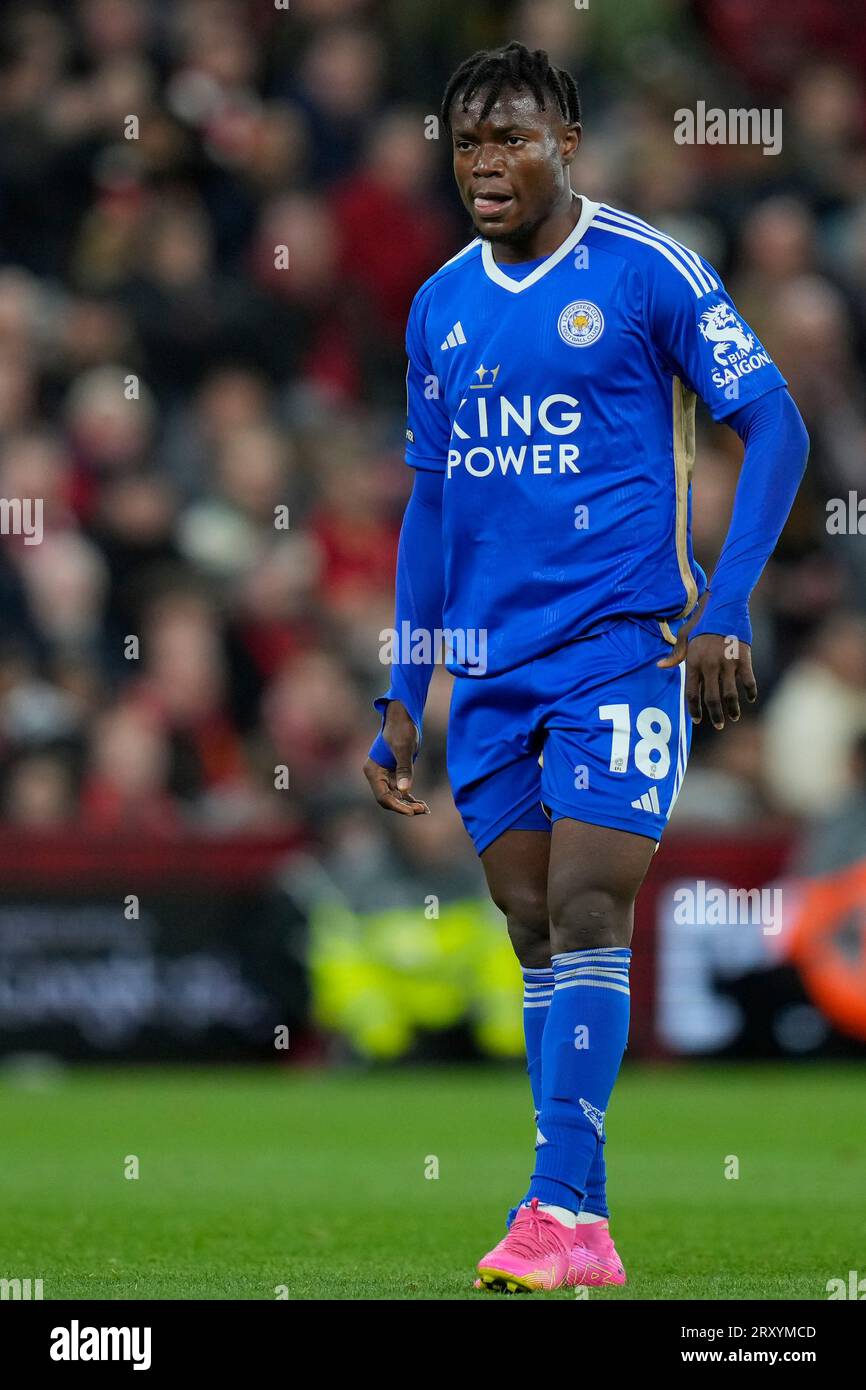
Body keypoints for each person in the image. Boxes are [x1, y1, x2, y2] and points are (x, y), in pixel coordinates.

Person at [363, 41, 809, 1293]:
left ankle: (550, 1204)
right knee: (530, 928)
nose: (486, 163)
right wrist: (406, 690)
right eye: (466, 143)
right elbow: (432, 509)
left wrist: (723, 606)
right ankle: (587, 1226)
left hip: (622, 647)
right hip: (491, 676)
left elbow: (772, 418)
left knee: (588, 905)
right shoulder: (439, 303)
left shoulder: (642, 269)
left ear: (566, 141)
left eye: (510, 137)